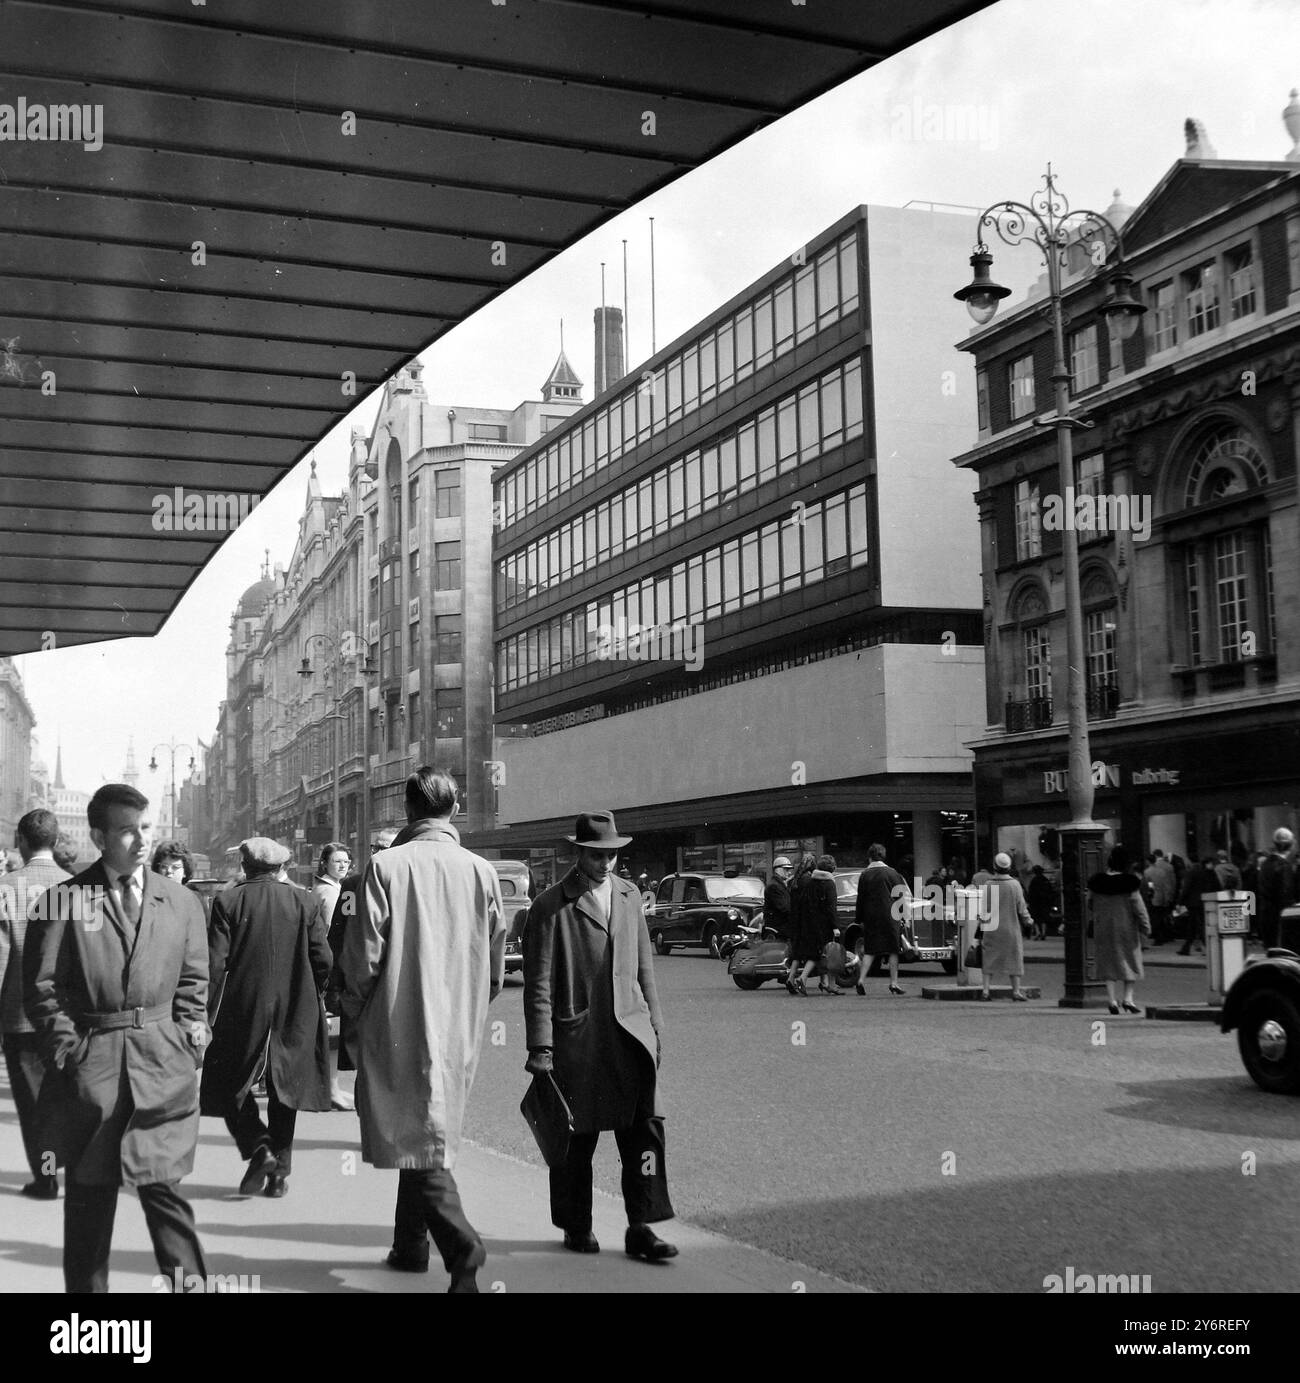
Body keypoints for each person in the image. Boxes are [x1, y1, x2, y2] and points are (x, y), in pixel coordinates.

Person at [24, 784, 209, 1293]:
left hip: (162, 1068)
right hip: (93, 1070)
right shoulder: (61, 901)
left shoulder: (182, 902)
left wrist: (191, 1042)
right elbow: (41, 990)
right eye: (128, 830)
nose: (141, 839)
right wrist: (70, 1053)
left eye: (146, 827)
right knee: (89, 1200)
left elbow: (195, 985)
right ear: (100, 836)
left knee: (165, 1196)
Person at [341, 768, 504, 1293]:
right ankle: (410, 1245)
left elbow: (361, 961)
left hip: (396, 1018)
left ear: (408, 812)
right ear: (453, 809)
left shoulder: (385, 865)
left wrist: (353, 1018)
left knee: (417, 1128)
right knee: (425, 1125)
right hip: (457, 1021)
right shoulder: (482, 871)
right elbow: (496, 964)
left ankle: (461, 1245)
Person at [523, 810, 676, 1263]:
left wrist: (656, 1028)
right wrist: (541, 1047)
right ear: (579, 853)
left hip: (630, 1034)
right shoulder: (551, 905)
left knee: (644, 1132)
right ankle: (577, 1225)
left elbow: (644, 966)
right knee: (576, 1138)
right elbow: (538, 983)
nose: (606, 862)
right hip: (578, 1039)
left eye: (611, 854)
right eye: (596, 854)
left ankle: (641, 1227)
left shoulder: (629, 896)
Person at [199, 837, 332, 1199]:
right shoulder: (306, 900)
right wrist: (315, 993)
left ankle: (260, 1147)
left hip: (244, 1006)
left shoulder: (228, 901)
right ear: (281, 868)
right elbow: (324, 959)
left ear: (246, 866)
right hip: (296, 1004)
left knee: (228, 1082)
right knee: (284, 1089)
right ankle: (278, 1177)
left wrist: (205, 1011)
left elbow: (215, 964)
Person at [0, 809, 71, 1199]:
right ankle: (69, 1164)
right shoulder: (76, 888)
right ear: (56, 842)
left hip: (20, 1017)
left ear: (22, 843)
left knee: (32, 1106)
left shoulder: (5, 888)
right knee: (62, 1098)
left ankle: (45, 1176)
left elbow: (0, 954)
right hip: (67, 1017)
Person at [310, 841, 354, 1112]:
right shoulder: (328, 893)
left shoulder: (334, 888)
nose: (342, 866)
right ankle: (331, 1089)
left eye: (346, 862)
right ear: (324, 863)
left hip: (330, 966)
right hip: (332, 968)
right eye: (336, 861)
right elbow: (332, 934)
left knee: (332, 1027)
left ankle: (331, 1086)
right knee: (333, 1028)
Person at [1088, 846, 1150, 1014]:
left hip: (1104, 928)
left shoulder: (1097, 883)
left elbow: (1090, 904)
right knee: (1130, 962)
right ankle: (1128, 999)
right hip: (1126, 928)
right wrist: (1146, 927)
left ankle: (1112, 1000)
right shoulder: (1130, 883)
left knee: (1108, 963)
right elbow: (1139, 908)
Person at [854, 843, 910, 996]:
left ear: (870, 857)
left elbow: (861, 898)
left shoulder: (865, 875)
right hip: (890, 915)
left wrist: (859, 918)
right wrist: (904, 915)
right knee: (893, 950)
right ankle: (894, 982)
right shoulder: (893, 873)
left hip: (871, 916)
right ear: (883, 856)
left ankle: (861, 980)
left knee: (870, 950)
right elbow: (900, 896)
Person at [980, 853, 1031, 1001]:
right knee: (1014, 957)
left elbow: (984, 908)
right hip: (1010, 927)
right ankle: (1016, 991)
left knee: (989, 958)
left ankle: (985, 991)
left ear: (994, 867)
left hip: (991, 927)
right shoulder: (1014, 884)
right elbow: (1022, 907)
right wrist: (1029, 920)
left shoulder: (988, 885)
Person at [1257, 828, 1298, 952]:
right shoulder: (1284, 866)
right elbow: (1285, 894)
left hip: (1266, 916)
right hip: (1281, 919)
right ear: (1290, 845)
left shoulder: (1265, 864)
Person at [784, 853, 817, 993]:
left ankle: (790, 978)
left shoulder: (794, 882)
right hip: (807, 921)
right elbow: (812, 904)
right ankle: (802, 978)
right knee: (813, 952)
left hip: (795, 921)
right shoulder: (810, 881)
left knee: (797, 953)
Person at [1177, 857, 1219, 955]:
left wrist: (1180, 902)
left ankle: (1190, 948)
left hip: (1193, 903)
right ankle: (1188, 947)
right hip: (1207, 902)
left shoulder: (1192, 872)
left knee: (1195, 926)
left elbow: (1186, 888)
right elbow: (1217, 887)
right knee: (1200, 925)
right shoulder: (1210, 873)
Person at [1143, 850, 1177, 946]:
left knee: (1154, 918)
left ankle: (1158, 938)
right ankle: (1167, 935)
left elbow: (1149, 885)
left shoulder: (1147, 872)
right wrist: (1168, 897)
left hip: (1153, 897)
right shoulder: (1162, 871)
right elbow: (1167, 885)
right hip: (1162, 896)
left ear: (1148, 861)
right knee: (1162, 917)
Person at [763, 855, 794, 943]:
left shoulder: (780, 884)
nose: (789, 873)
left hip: (780, 929)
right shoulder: (774, 886)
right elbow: (784, 908)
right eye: (786, 870)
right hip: (777, 930)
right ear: (778, 869)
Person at [1026, 864, 1056, 942]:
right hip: (1044, 902)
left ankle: (1038, 932)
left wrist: (1029, 901)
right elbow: (1051, 892)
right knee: (1044, 918)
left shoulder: (1034, 881)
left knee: (1035, 918)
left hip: (1035, 903)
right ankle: (1043, 932)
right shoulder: (1045, 880)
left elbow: (1031, 893)